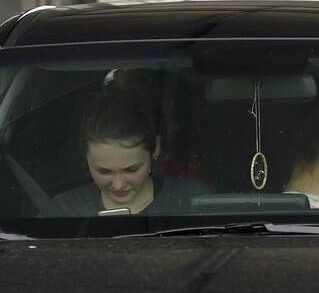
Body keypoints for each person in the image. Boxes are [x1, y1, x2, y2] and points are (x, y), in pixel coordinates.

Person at [51, 90, 207, 216]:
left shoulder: (193, 201)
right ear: (86, 157)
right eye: (104, 171)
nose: (119, 185)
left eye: (131, 169)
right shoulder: (62, 212)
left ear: (156, 148)